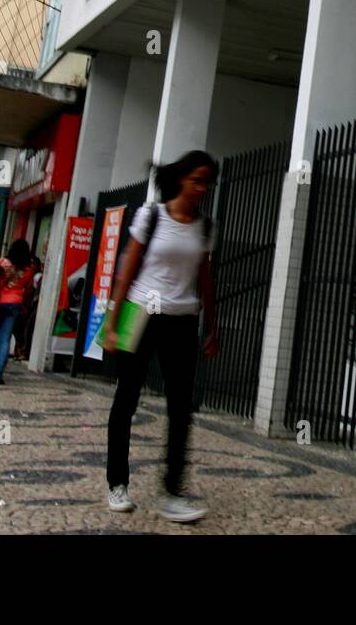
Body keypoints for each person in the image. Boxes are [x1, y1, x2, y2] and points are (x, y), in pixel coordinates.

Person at [105, 150, 220, 523]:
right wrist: (113, 321)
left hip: (182, 321)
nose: (202, 188)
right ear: (182, 178)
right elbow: (128, 267)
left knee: (181, 407)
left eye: (208, 182)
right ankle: (117, 483)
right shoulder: (151, 215)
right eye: (197, 180)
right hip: (140, 313)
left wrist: (213, 327)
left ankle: (172, 490)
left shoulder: (204, 226)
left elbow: (205, 277)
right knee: (127, 398)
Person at [0, 240, 34, 385]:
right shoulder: (29, 268)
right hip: (14, 304)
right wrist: (25, 306)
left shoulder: (2, 262)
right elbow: (28, 290)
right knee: (5, 340)